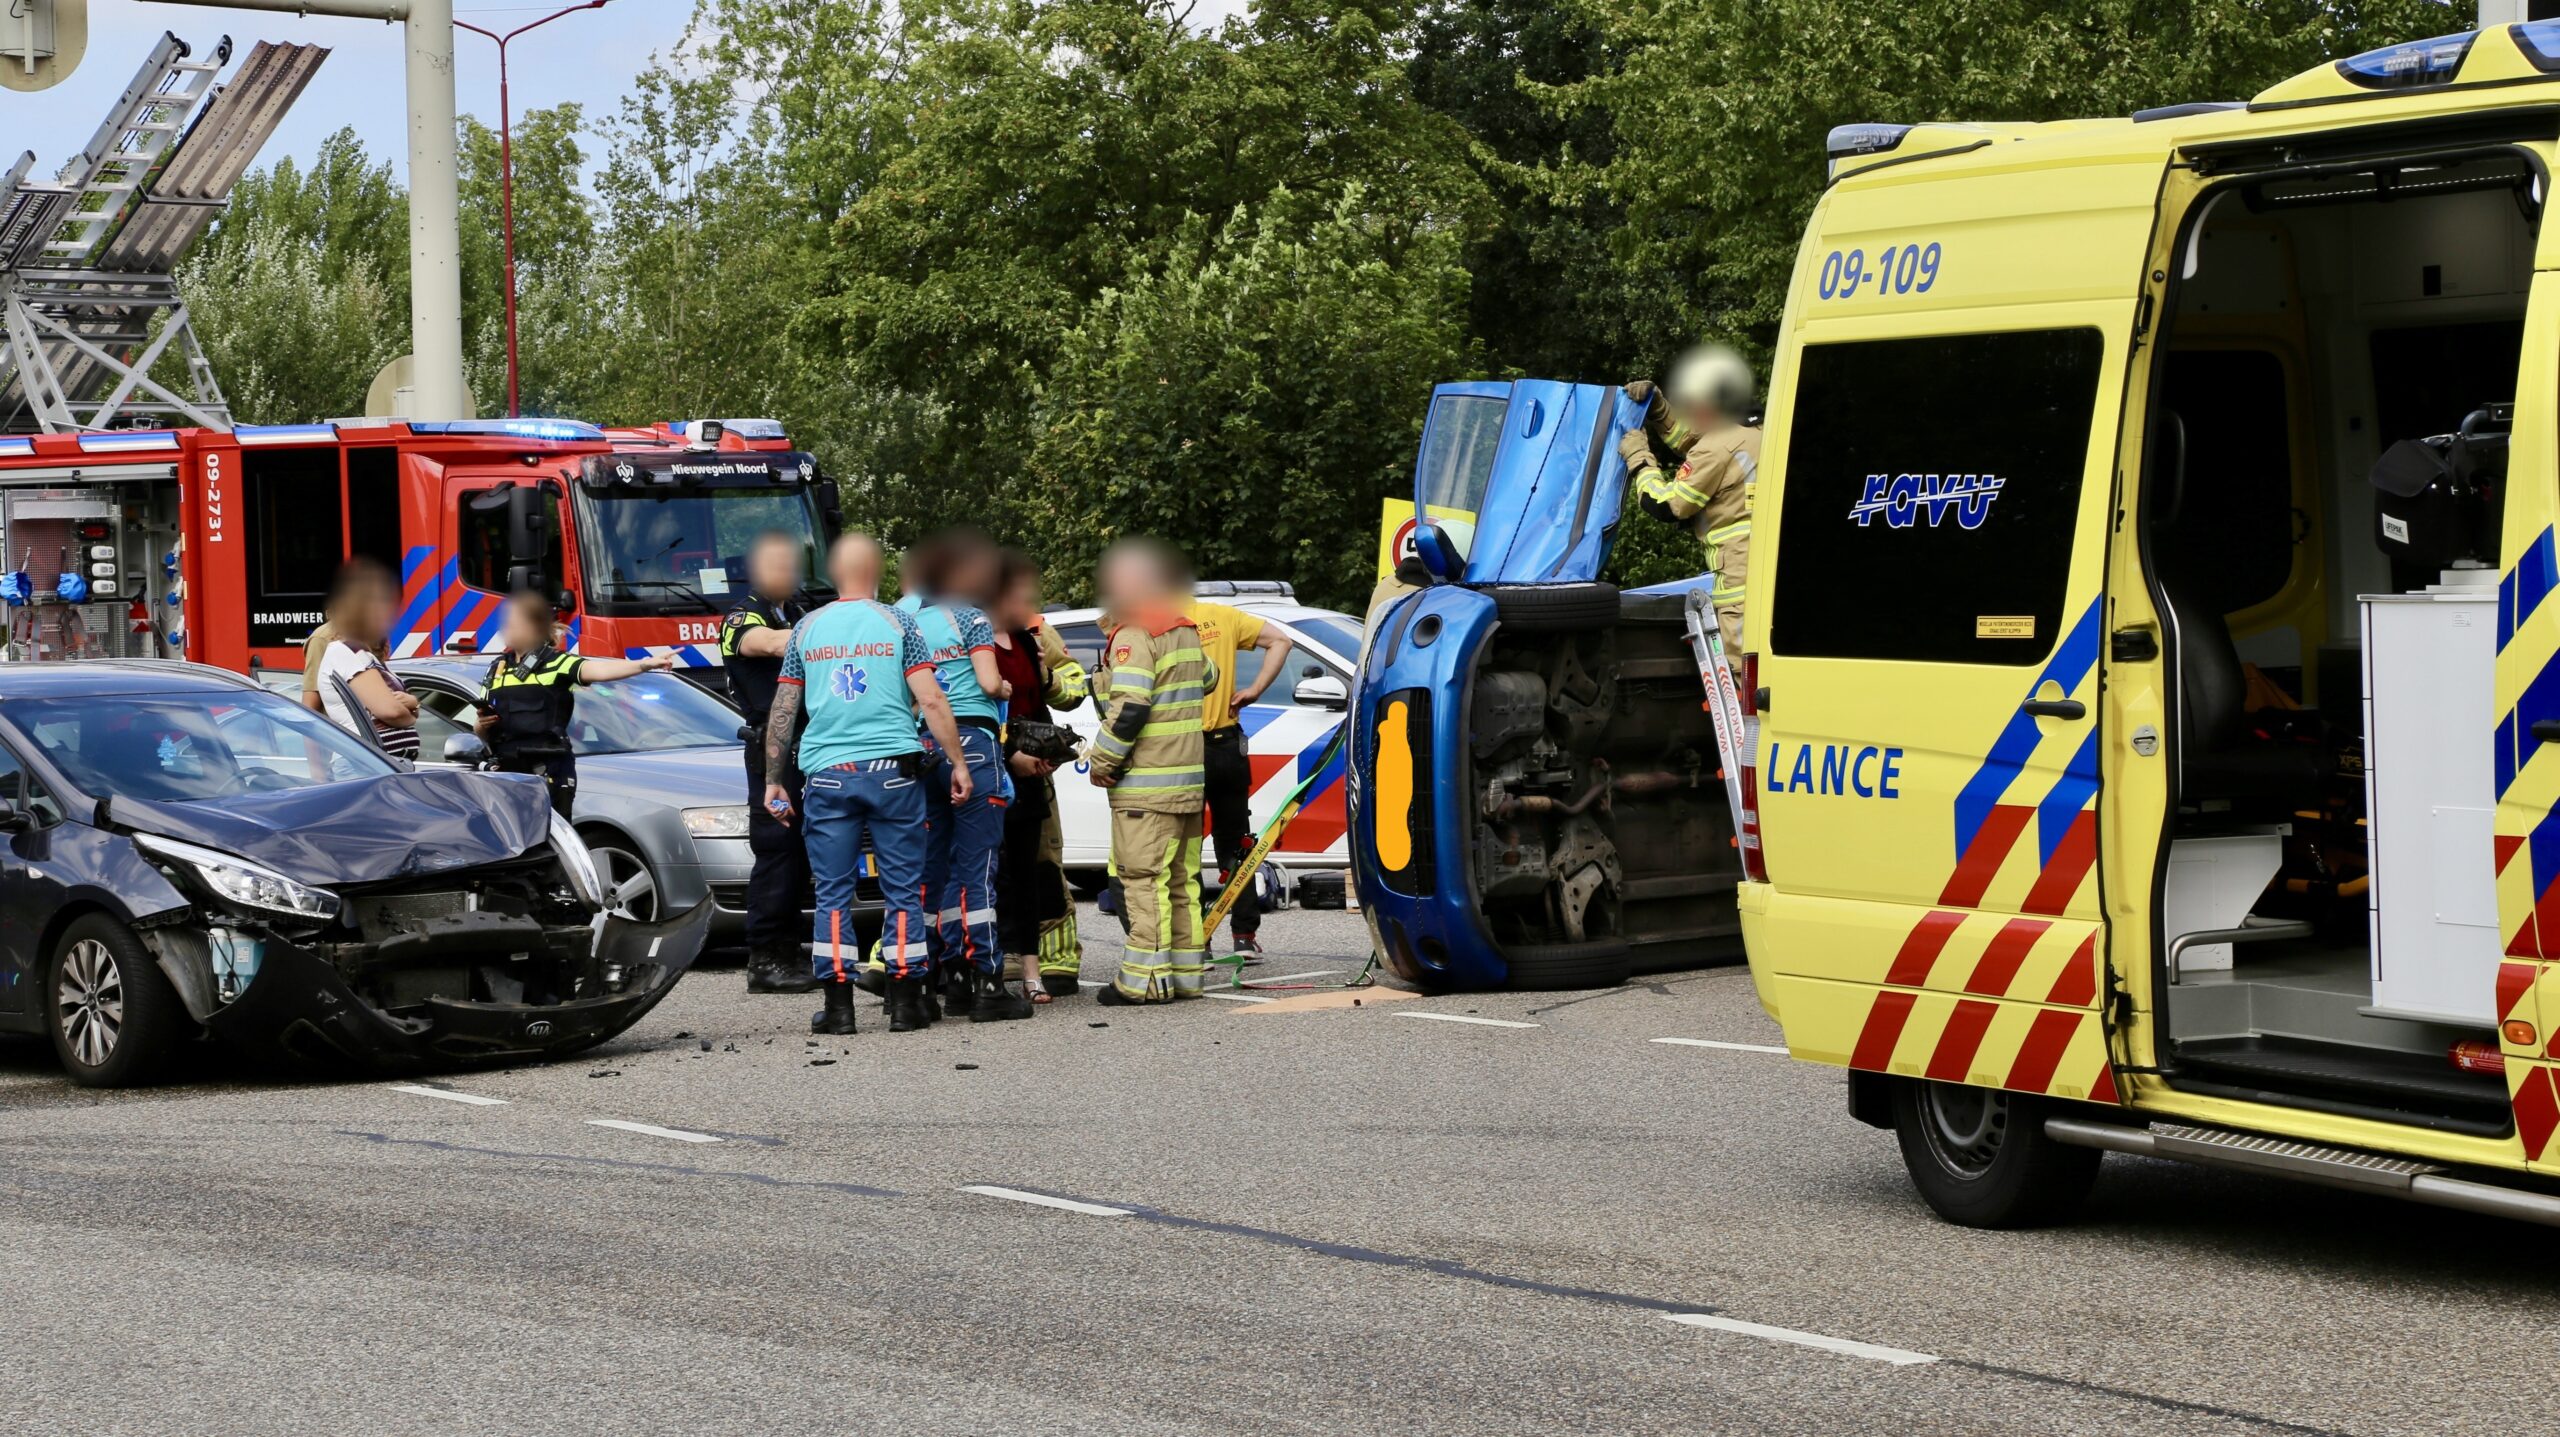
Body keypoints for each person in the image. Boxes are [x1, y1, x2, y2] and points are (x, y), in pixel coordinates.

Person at [767, 532, 973, 1035]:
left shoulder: (806, 628)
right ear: (874, 572)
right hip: (893, 775)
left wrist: (774, 779)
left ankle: (838, 1010)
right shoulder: (899, 621)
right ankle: (906, 1004)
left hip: (828, 777)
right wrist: (958, 762)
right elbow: (930, 700)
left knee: (832, 893)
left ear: (834, 575)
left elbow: (784, 709)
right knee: (903, 889)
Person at [897, 529, 1027, 1022]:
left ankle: (936, 978)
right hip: (969, 740)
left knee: (930, 870)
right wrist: (1006, 686)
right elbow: (990, 681)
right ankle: (987, 982)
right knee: (976, 869)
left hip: (918, 745)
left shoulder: (901, 619)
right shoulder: (971, 617)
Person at [1084, 537, 1214, 1005]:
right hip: (1187, 783)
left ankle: (1143, 981)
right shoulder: (1184, 628)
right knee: (1182, 882)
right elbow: (1209, 677)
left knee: (1143, 881)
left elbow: (1131, 708)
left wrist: (1102, 762)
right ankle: (1185, 977)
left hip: (1145, 787)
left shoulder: (1135, 633)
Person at [719, 531, 822, 995]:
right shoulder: (745, 616)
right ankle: (765, 958)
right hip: (770, 748)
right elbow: (767, 645)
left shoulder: (795, 610)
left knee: (801, 853)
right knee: (777, 851)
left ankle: (789, 948)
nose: (791, 574)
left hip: (806, 743)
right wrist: (832, 631)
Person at [989, 549, 1090, 1001]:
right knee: (988, 867)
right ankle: (1001, 952)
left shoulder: (1034, 633)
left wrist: (1051, 682)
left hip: (1035, 770)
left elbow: (1073, 685)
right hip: (992, 764)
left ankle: (1057, 959)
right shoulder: (963, 634)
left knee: (1042, 864)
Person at [1622, 345, 1762, 668]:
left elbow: (1666, 505)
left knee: (1744, 681)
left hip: (1738, 586)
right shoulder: (1756, 429)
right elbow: (1698, 439)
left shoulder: (1717, 448)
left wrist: (1639, 459)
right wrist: (1659, 411)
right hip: (1764, 575)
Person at [477, 592, 675, 818]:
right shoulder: (496, 669)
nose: (507, 628)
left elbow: (598, 670)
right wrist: (482, 725)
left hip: (547, 771)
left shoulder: (557, 663)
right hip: (507, 773)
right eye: (507, 623)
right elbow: (480, 731)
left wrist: (644, 664)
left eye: (514, 623)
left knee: (547, 844)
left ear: (534, 627)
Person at [1187, 591, 1294, 960]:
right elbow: (1282, 640)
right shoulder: (1222, 616)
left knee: (1184, 847)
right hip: (1225, 743)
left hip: (1178, 748)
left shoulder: (1154, 626)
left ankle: (1194, 943)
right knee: (1236, 842)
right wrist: (1254, 690)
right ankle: (1244, 935)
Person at [314, 558, 421, 763]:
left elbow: (395, 705)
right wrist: (410, 718)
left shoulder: (361, 653)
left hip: (377, 763)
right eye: (379, 604)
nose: (389, 612)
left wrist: (413, 704)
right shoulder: (346, 651)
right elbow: (389, 710)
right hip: (364, 764)